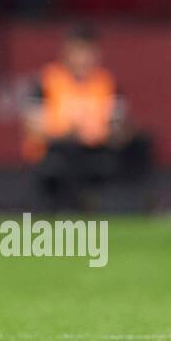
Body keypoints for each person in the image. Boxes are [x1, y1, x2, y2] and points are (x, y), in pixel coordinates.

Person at [22, 24, 150, 211]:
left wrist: (116, 133)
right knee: (70, 149)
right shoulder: (46, 81)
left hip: (95, 147)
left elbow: (117, 124)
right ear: (66, 52)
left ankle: (139, 207)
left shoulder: (107, 82)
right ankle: (72, 208)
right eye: (78, 51)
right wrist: (67, 133)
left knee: (141, 143)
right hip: (56, 149)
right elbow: (33, 128)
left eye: (88, 52)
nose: (83, 58)